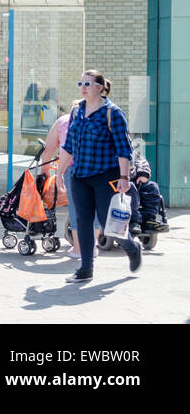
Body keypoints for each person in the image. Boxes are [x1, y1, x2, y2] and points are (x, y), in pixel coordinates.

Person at [58, 69, 141, 283]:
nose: (83, 88)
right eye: (80, 84)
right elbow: (68, 146)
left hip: (106, 175)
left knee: (109, 224)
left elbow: (124, 148)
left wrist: (124, 177)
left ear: (100, 87)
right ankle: (86, 269)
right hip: (79, 176)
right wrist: (60, 172)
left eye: (87, 84)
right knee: (83, 221)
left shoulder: (112, 113)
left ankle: (132, 248)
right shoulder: (77, 111)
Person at [42, 105, 83, 260]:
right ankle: (93, 247)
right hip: (98, 170)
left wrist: (45, 171)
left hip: (72, 169)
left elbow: (49, 150)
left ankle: (79, 248)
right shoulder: (100, 118)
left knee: (76, 207)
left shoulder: (64, 121)